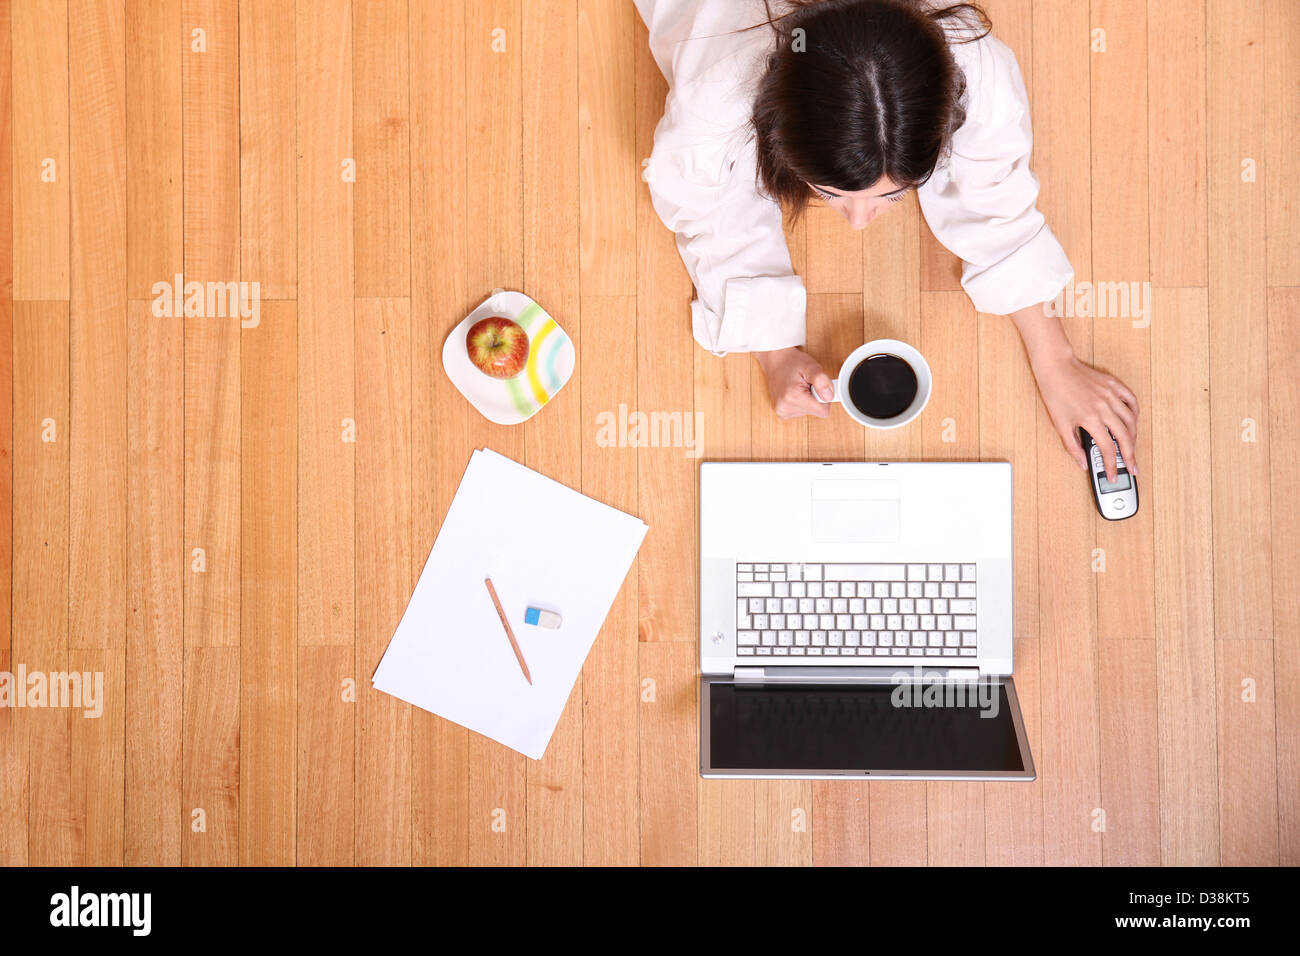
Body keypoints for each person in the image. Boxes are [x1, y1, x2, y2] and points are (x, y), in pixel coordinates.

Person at [635, 0, 1139, 481]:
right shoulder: (717, 95)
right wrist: (774, 350)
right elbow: (706, 208)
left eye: (893, 197)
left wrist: (1056, 359)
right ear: (773, 125)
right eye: (831, 193)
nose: (859, 221)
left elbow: (995, 192)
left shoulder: (974, 62)